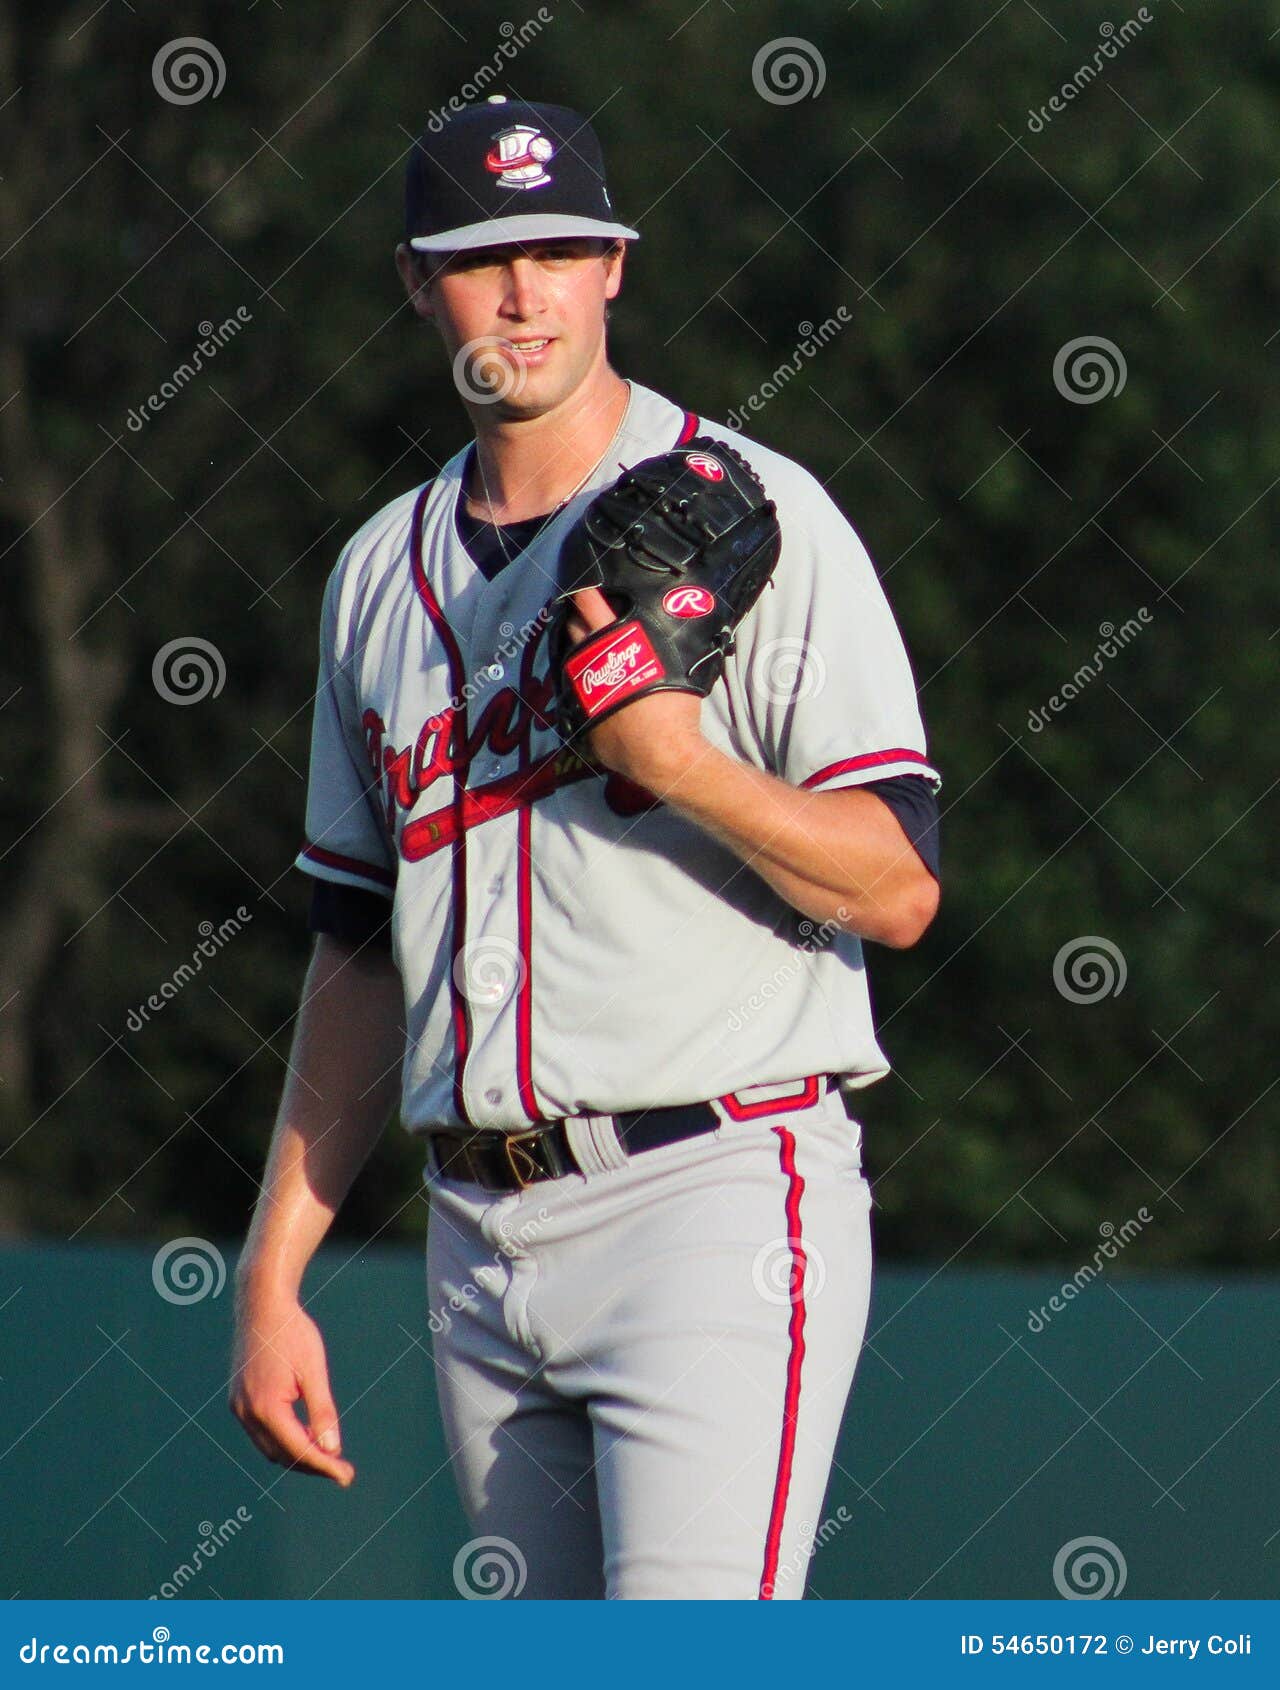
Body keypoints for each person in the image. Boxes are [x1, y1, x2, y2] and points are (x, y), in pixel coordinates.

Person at [230, 95, 942, 1601]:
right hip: (475, 1234)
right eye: (481, 257)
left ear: (615, 264)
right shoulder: (375, 576)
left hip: (712, 1189)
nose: (523, 293)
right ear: (417, 282)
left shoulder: (754, 512)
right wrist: (274, 1274)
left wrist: (679, 764)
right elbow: (357, 953)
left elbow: (896, 887)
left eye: (559, 249)